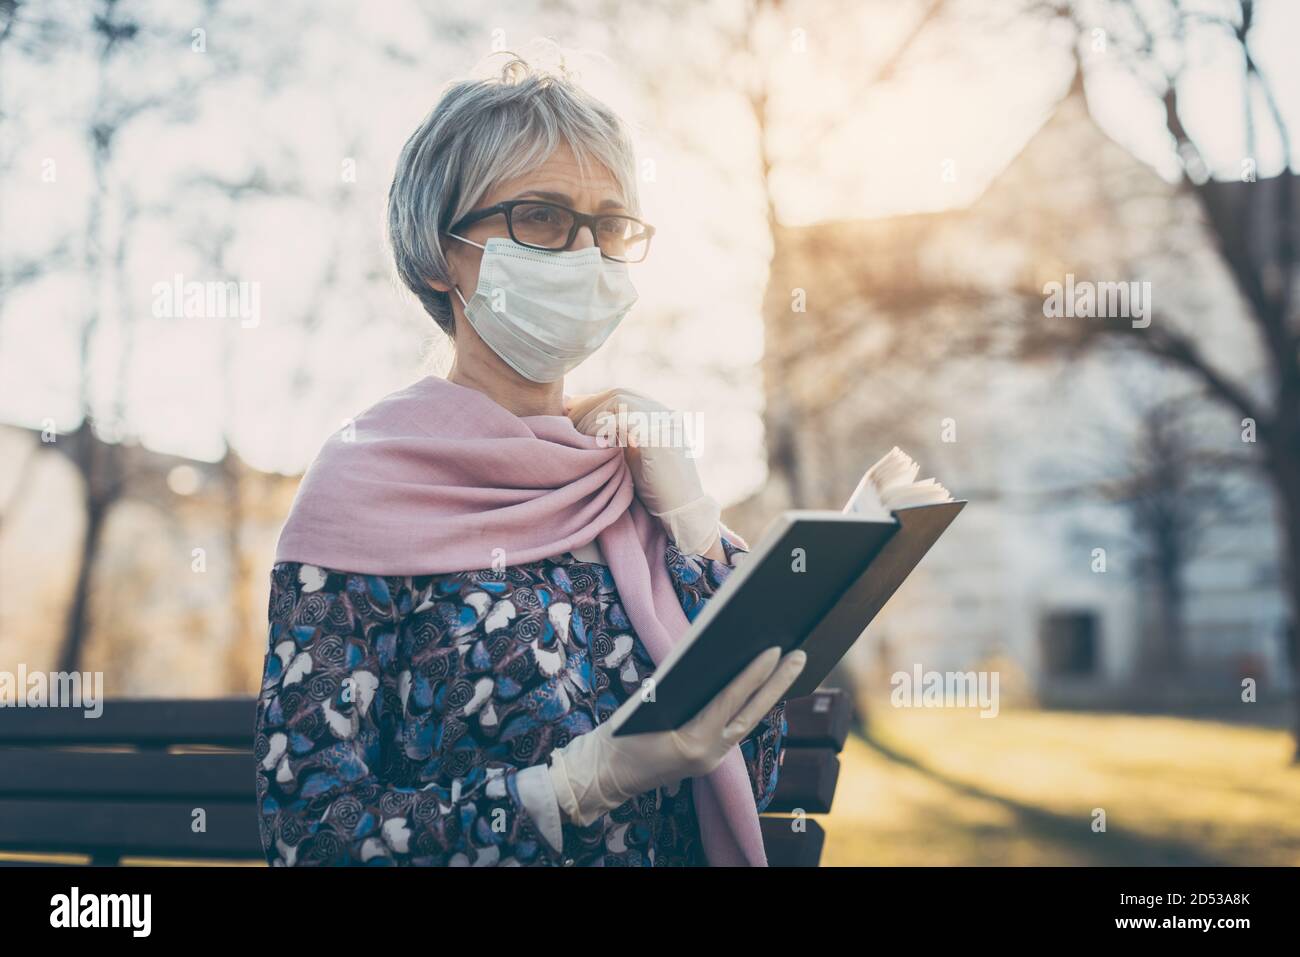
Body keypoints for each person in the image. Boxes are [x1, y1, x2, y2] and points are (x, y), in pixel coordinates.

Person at [254, 57, 806, 867]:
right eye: (542, 217)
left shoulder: (629, 480)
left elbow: (751, 764)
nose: (584, 253)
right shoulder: (364, 484)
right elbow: (309, 832)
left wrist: (692, 518)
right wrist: (569, 789)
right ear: (442, 250)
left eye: (609, 226)